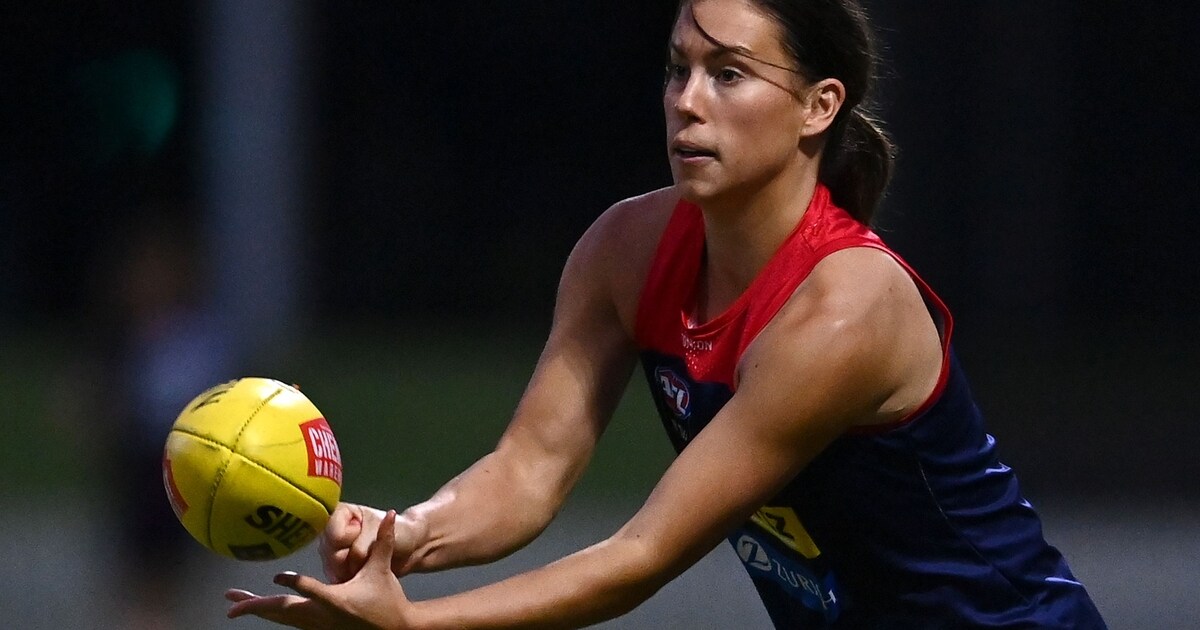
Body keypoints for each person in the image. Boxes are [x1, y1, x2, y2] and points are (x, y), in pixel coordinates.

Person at [225, 0, 1107, 627]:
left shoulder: (843, 313)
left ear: (819, 106)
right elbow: (528, 469)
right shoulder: (628, 248)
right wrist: (402, 535)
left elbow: (641, 556)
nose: (687, 101)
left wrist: (415, 626)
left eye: (728, 74)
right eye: (677, 69)